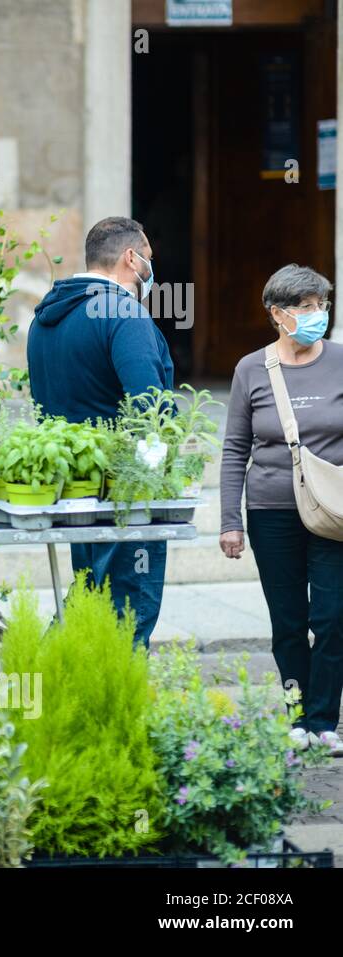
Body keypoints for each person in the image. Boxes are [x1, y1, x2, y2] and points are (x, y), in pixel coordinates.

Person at [27, 216, 174, 646]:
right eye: (148, 258)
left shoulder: (45, 317)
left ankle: (65, 693)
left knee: (89, 602)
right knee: (128, 617)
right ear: (131, 258)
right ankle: (114, 707)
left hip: (75, 488)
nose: (151, 268)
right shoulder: (124, 315)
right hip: (126, 494)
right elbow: (149, 409)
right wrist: (152, 483)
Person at [220, 264, 343, 756]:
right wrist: (230, 520)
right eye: (307, 307)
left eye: (322, 305)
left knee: (333, 616)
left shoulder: (339, 361)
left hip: (333, 507)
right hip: (271, 509)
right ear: (278, 314)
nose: (319, 315)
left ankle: (324, 721)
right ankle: (297, 716)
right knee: (288, 620)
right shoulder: (251, 369)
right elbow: (234, 448)